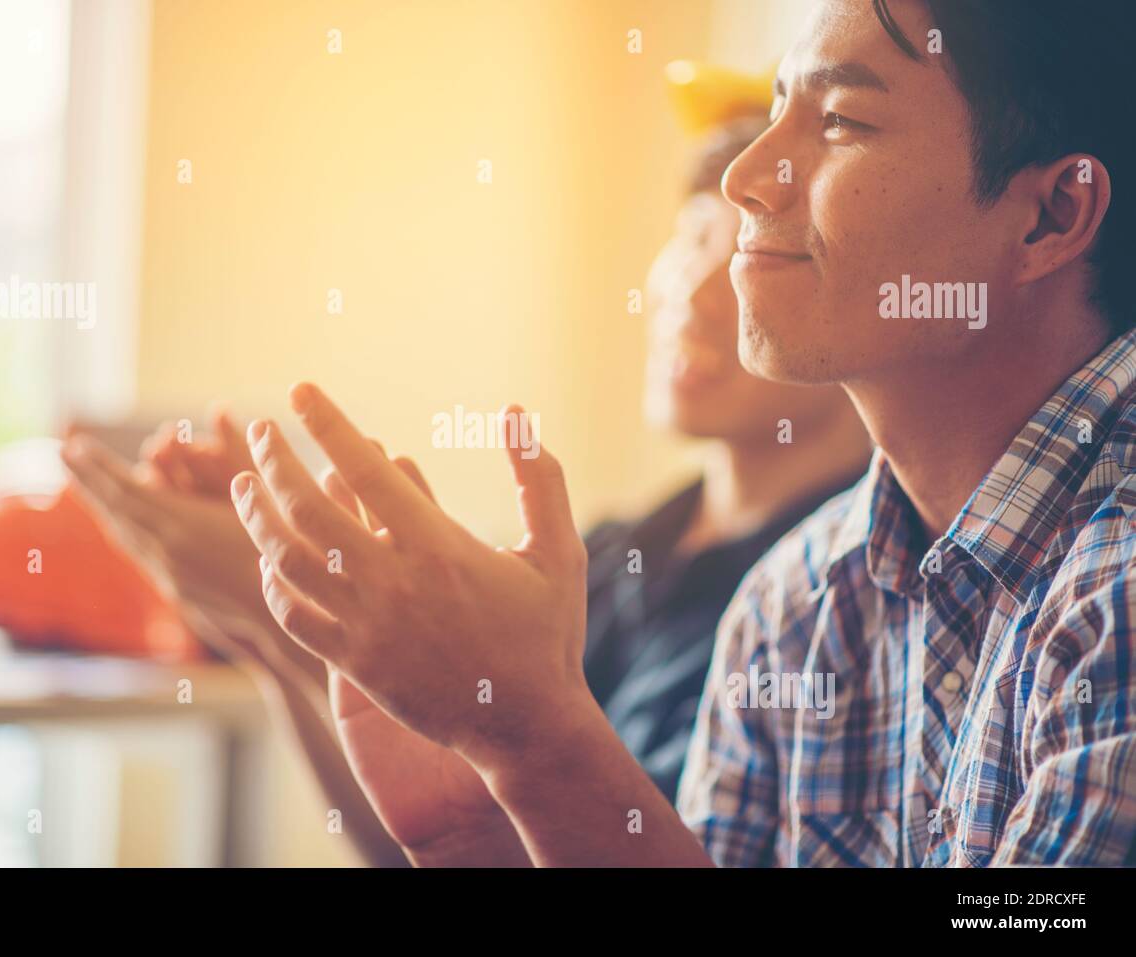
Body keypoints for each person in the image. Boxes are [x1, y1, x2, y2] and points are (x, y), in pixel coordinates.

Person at [225, 0, 1136, 866]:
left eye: (844, 122)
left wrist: (534, 737)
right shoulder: (795, 604)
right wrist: (473, 833)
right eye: (780, 106)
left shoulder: (1117, 593)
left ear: (1052, 215)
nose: (743, 178)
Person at [61, 103, 870, 859]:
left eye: (745, 255)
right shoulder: (617, 552)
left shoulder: (833, 602)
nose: (691, 294)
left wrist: (305, 615)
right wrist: (271, 626)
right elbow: (432, 839)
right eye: (692, 238)